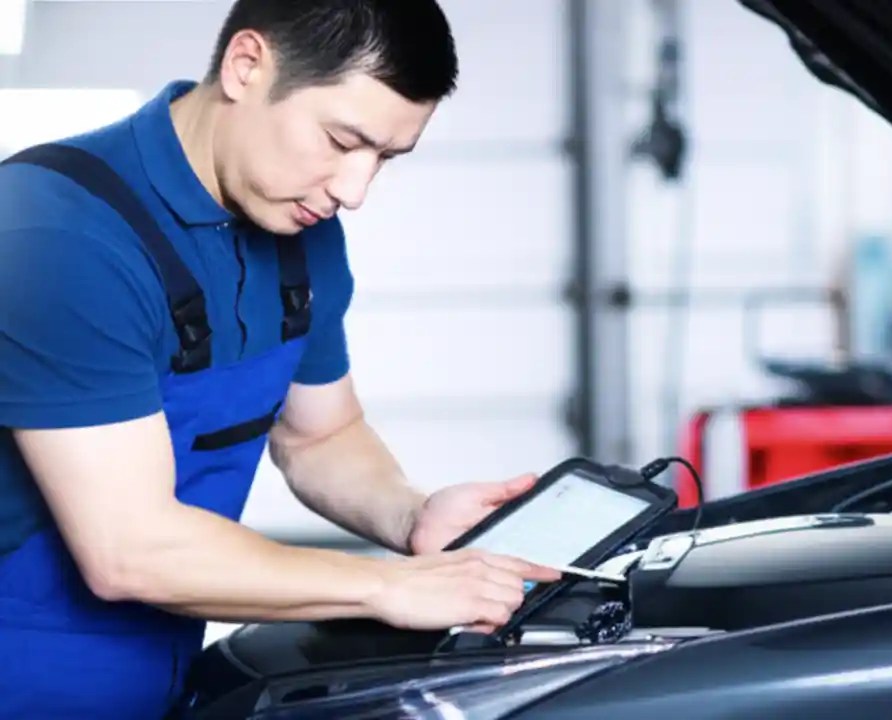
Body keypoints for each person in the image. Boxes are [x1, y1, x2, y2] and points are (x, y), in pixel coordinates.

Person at [0, 1, 560, 717]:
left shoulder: (303, 230)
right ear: (246, 67)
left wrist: (412, 516)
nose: (354, 192)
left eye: (383, 158)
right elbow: (128, 548)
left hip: (156, 687)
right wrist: (388, 587)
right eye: (341, 139)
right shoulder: (57, 233)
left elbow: (319, 434)